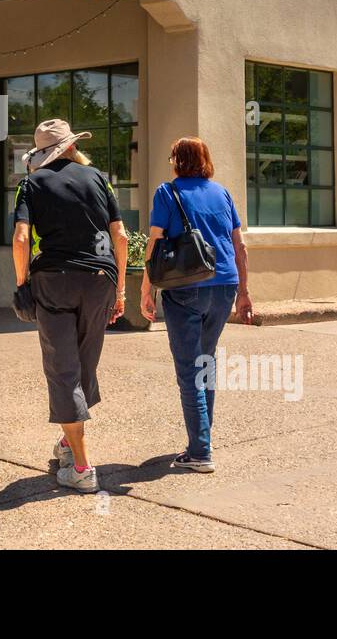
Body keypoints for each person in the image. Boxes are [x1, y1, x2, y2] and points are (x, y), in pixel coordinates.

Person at [13, 119, 128, 493]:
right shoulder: (98, 178)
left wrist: (21, 284)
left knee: (63, 370)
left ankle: (80, 467)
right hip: (101, 280)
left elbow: (20, 238)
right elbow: (121, 237)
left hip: (55, 281)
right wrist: (121, 290)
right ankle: (68, 440)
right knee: (84, 363)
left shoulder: (31, 184)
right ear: (71, 147)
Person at [140, 136, 252, 473]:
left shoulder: (167, 192)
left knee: (190, 370)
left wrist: (147, 288)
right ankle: (202, 439)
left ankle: (201, 452)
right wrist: (245, 292)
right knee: (206, 362)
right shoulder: (222, 193)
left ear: (177, 160)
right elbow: (240, 245)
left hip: (186, 286)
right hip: (225, 285)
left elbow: (155, 242)